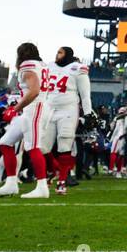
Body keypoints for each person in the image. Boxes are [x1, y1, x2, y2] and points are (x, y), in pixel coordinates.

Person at [0, 45, 49, 197]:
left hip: (34, 109)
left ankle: (42, 187)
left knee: (33, 147)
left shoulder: (27, 66)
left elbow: (34, 91)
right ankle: (11, 183)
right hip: (30, 110)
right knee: (5, 142)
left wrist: (14, 109)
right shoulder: (40, 65)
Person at [38, 45, 93, 195]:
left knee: (65, 145)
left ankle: (62, 182)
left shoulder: (77, 68)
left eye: (60, 52)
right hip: (49, 108)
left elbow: (85, 94)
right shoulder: (49, 66)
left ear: (67, 54)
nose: (57, 55)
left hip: (68, 109)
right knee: (42, 147)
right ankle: (54, 170)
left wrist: (88, 113)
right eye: (57, 52)